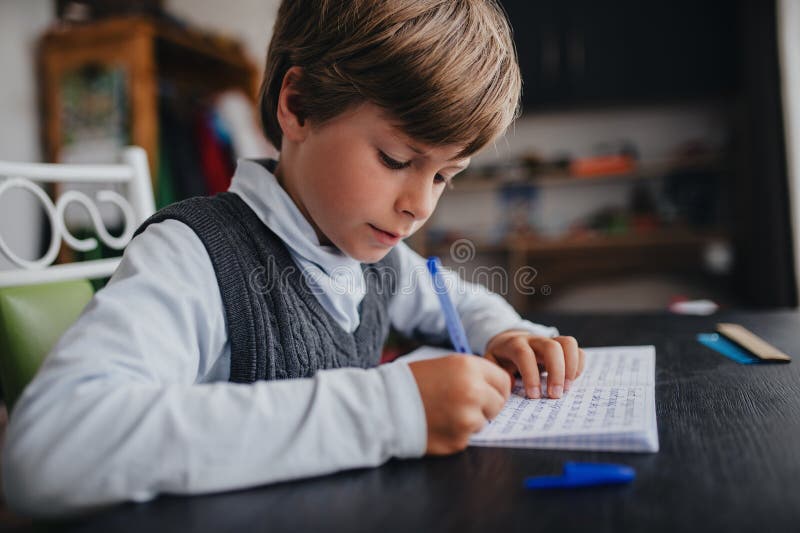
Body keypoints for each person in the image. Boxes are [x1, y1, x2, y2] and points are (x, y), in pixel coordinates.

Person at [3, 0, 585, 517]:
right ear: (298, 104)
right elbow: (48, 448)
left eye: (444, 177)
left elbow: (454, 299)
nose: (419, 207)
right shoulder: (196, 255)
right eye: (394, 159)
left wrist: (507, 332)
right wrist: (389, 411)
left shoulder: (376, 254)